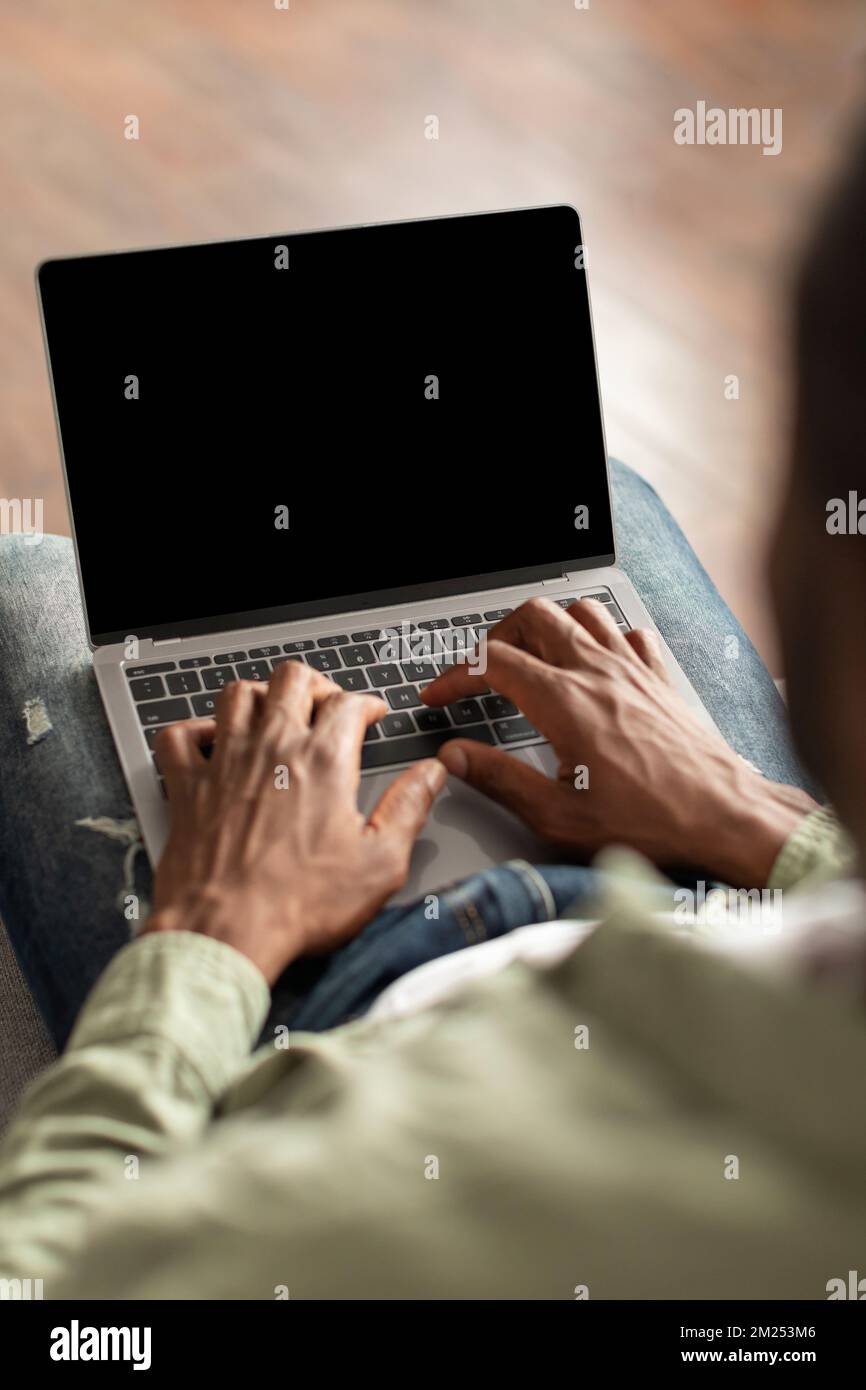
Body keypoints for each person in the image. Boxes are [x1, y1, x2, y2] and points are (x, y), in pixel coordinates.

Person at [0, 116, 864, 1300]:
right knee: (596, 500)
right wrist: (765, 822)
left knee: (23, 583)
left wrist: (212, 932)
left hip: (344, 994)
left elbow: (50, 1293)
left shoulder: (349, 1202)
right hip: (711, 876)